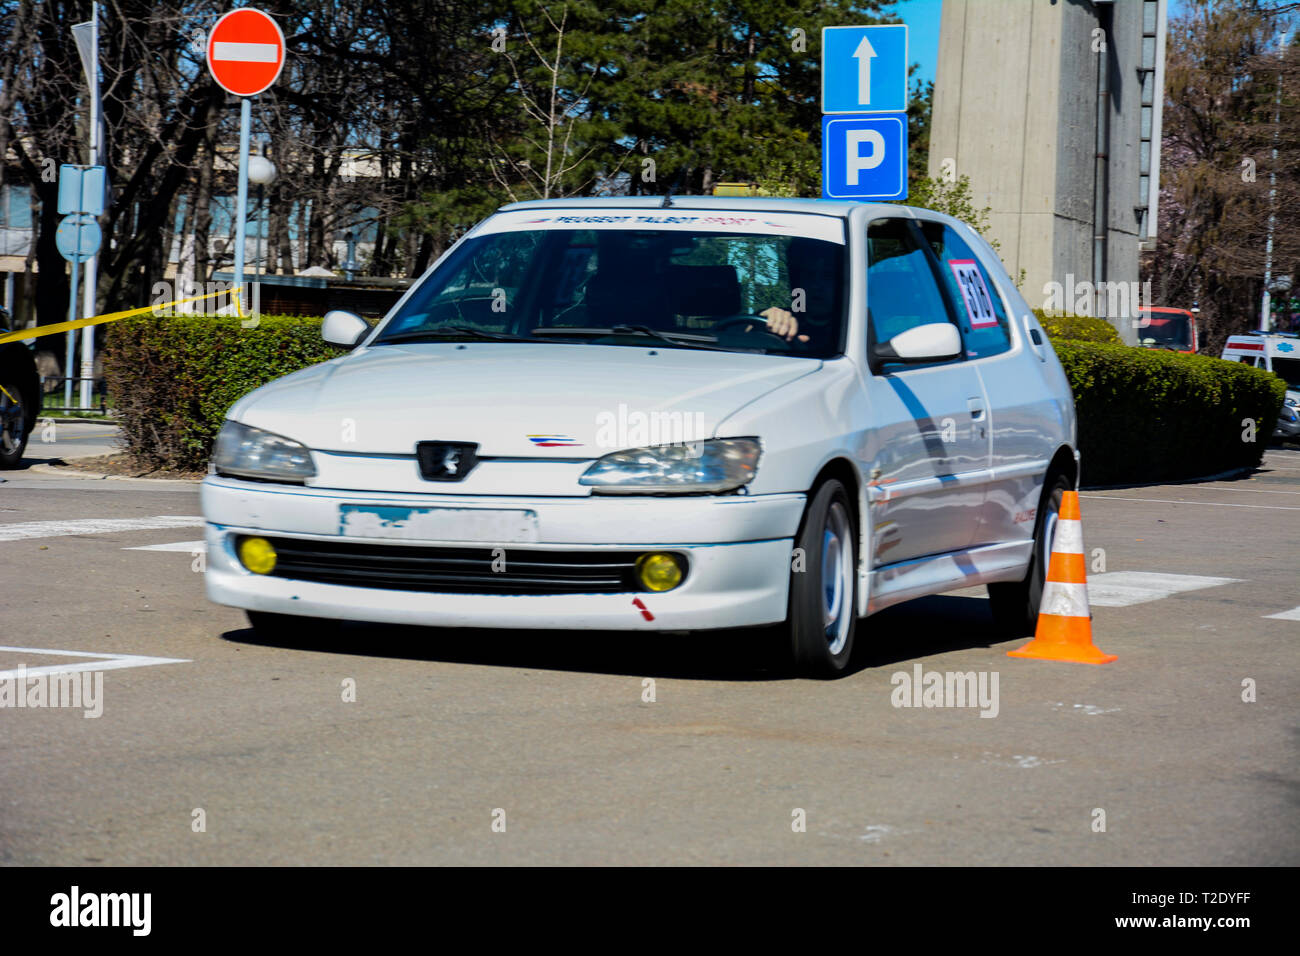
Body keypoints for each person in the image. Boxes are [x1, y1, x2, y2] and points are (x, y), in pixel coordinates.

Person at [752, 238, 840, 350]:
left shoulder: (853, 328)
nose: (817, 285)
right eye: (810, 275)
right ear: (798, 281)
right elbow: (739, 340)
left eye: (828, 276)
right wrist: (762, 326)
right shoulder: (777, 320)